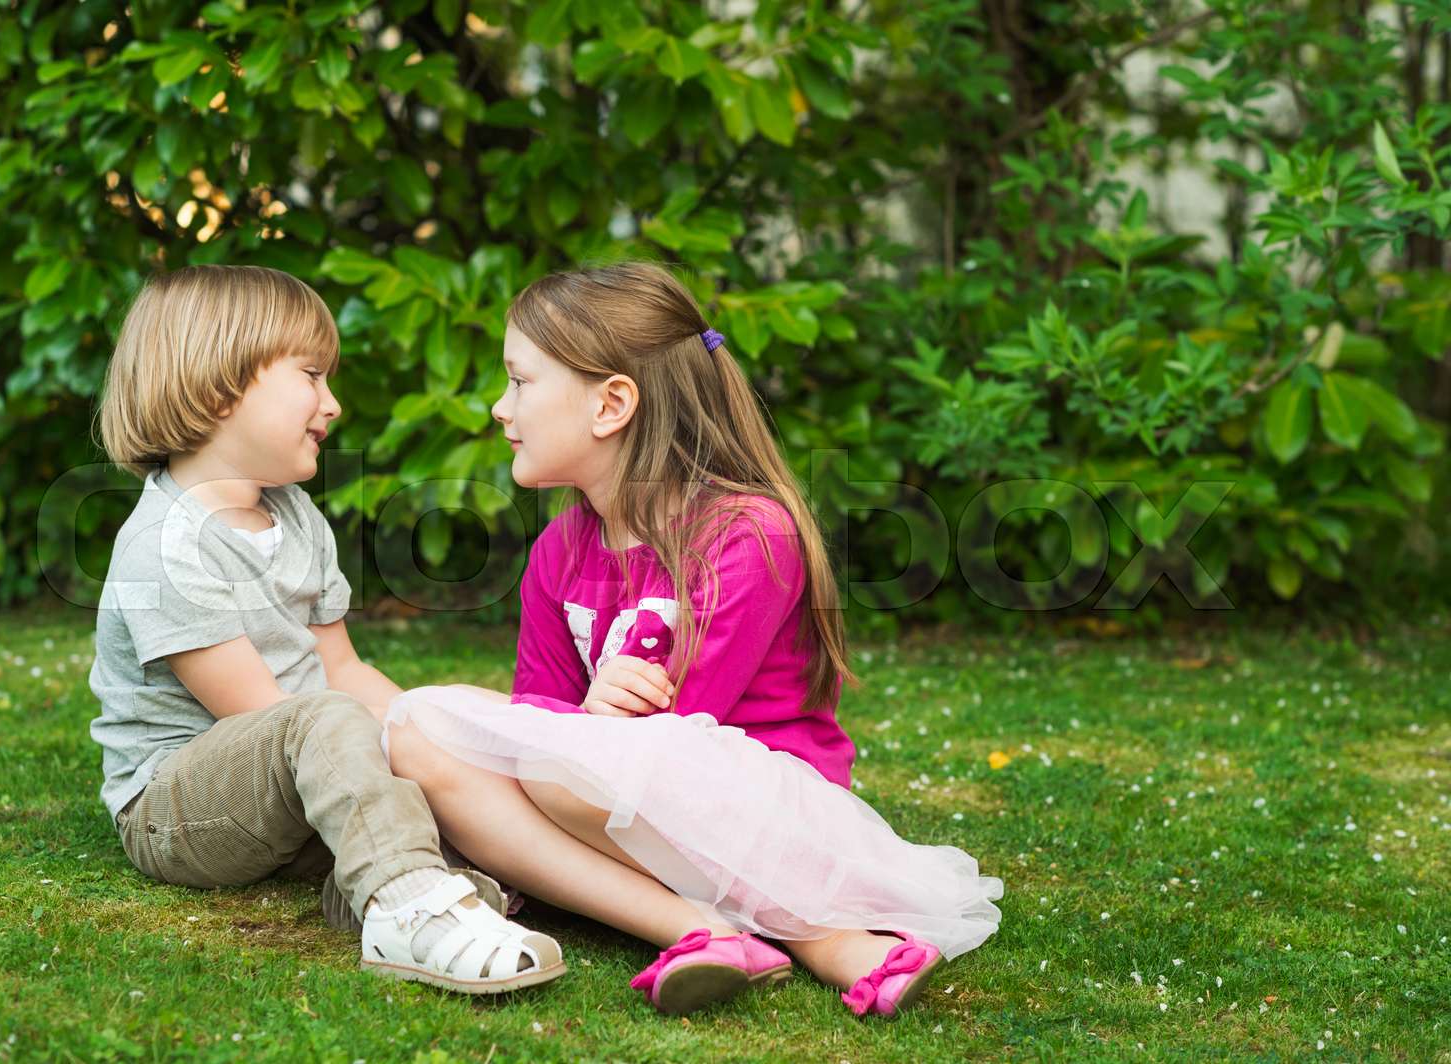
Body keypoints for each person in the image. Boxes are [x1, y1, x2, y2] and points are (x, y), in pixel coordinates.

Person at [384, 261, 1003, 1016]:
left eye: (520, 382)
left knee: (550, 773)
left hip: (770, 817)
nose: (498, 407)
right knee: (417, 732)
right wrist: (586, 712)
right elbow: (536, 715)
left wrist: (582, 724)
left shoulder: (747, 535)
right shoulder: (556, 554)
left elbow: (675, 729)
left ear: (611, 404)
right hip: (624, 801)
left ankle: (821, 936)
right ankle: (705, 932)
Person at [87, 264, 563, 994]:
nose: (332, 403)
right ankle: (407, 908)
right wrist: (392, 755)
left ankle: (375, 890)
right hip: (178, 808)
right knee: (335, 729)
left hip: (298, 772)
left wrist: (427, 734)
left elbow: (342, 669)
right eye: (312, 375)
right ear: (220, 389)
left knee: (416, 736)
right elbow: (264, 715)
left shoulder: (294, 517)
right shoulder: (167, 545)